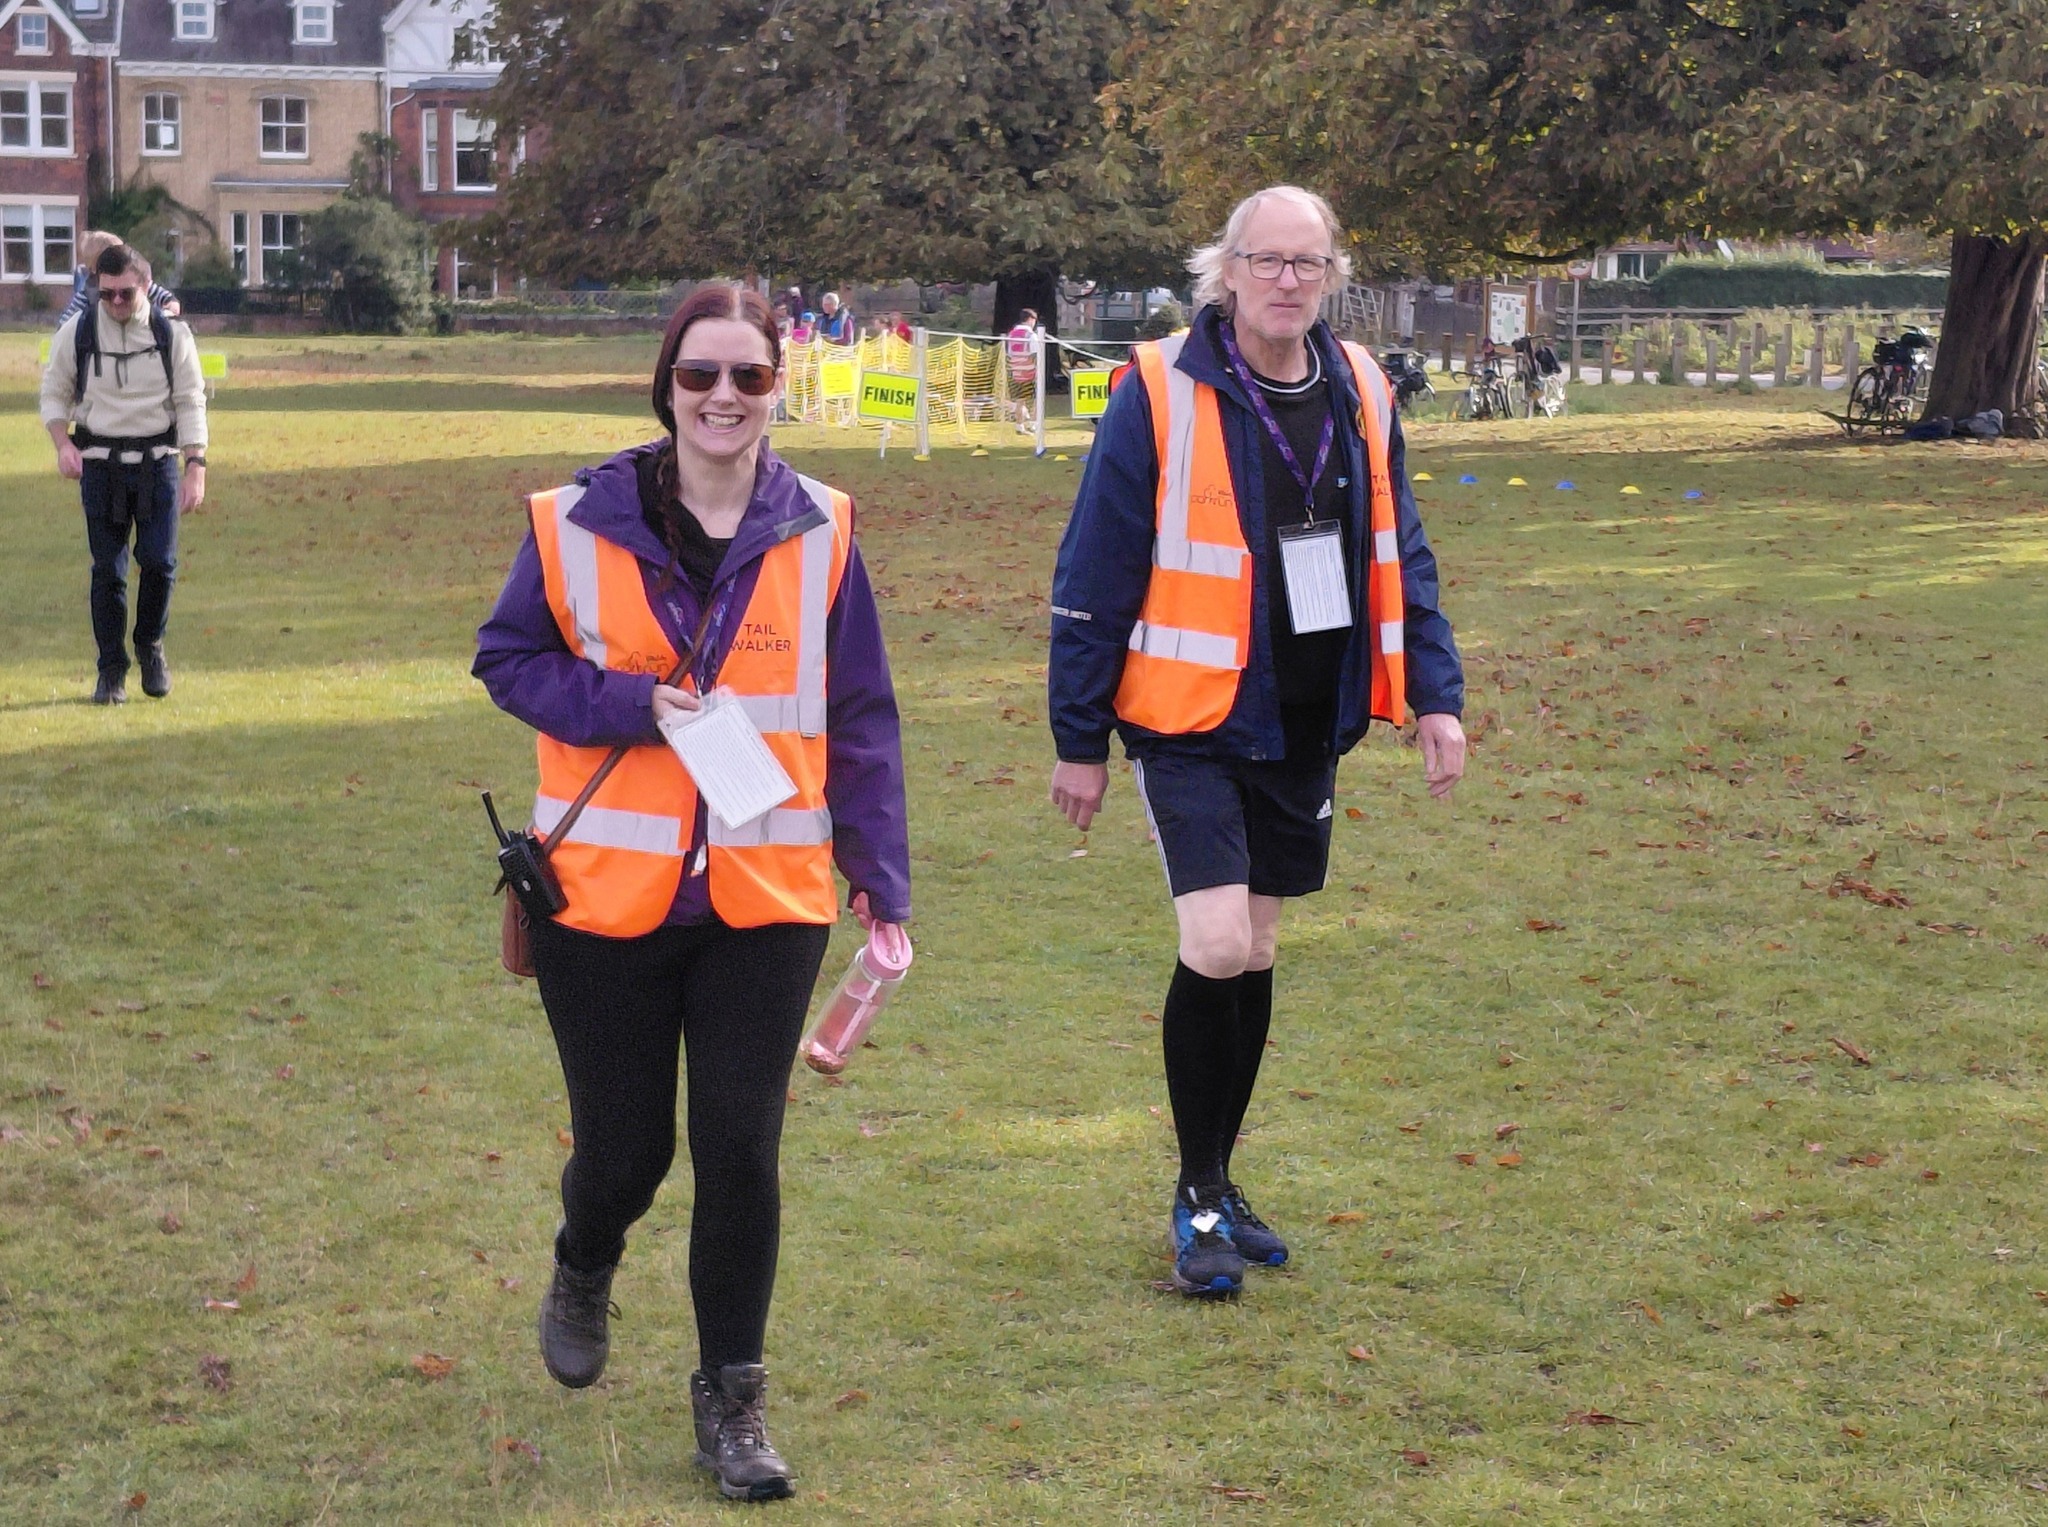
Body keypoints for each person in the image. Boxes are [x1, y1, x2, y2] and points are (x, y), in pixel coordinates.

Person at [474, 283, 911, 1502]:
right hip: (600, 899)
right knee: (625, 1154)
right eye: (700, 375)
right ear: (665, 387)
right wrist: (630, 705)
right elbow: (506, 659)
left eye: (749, 376)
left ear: (777, 387)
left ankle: (732, 1399)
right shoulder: (572, 521)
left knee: (740, 1147)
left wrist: (879, 873)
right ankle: (584, 1254)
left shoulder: (823, 526)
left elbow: (860, 711)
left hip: (767, 894)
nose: (724, 396)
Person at [1045, 186, 1465, 1299]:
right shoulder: (1156, 388)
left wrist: (1435, 693)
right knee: (1219, 941)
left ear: (1331, 275)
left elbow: (1405, 547)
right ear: (1224, 271)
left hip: (1307, 712)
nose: (1286, 280)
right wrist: (1078, 736)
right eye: (1265, 260)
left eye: (1306, 262)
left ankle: (1220, 1182)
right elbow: (1093, 567)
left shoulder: (1361, 385)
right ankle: (1194, 1196)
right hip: (1185, 717)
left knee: (1260, 948)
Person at [39, 243, 208, 705]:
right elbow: (53, 392)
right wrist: (62, 444)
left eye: (125, 294)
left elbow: (190, 401)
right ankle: (111, 672)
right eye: (106, 293)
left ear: (146, 287)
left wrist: (195, 466)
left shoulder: (171, 335)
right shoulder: (78, 332)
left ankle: (150, 645)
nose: (115, 302)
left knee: (159, 563)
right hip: (100, 466)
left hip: (158, 463)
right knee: (108, 572)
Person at [60, 230, 180, 323]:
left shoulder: (135, 282)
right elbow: (66, 321)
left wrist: (168, 309)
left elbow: (165, 297)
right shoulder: (87, 292)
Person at [1005, 308, 1042, 432]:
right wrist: (1038, 370)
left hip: (1016, 371)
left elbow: (1009, 353)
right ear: (1030, 319)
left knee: (1020, 401)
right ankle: (1033, 424)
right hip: (1030, 371)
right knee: (1036, 399)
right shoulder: (1031, 335)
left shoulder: (1011, 334)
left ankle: (1019, 425)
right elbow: (1035, 354)